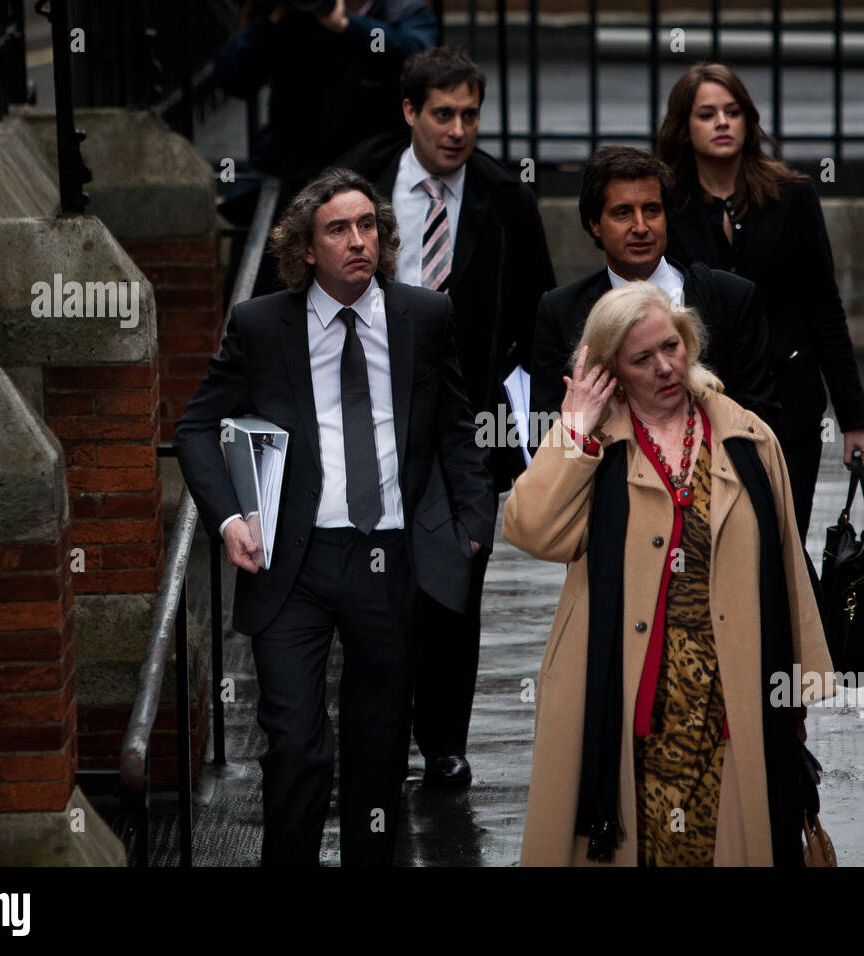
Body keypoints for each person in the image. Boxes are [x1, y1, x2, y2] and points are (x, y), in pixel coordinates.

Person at [173, 167, 494, 866]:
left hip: (392, 559)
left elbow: (456, 431)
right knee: (294, 740)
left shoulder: (425, 317)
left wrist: (471, 525)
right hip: (295, 561)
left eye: (368, 226)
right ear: (306, 249)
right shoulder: (261, 325)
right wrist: (229, 518)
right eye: (338, 229)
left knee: (379, 750)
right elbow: (195, 428)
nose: (358, 241)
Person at [505, 281, 833, 866]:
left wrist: (798, 693)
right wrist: (573, 429)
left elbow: (787, 565)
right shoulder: (595, 446)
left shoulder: (749, 438)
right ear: (610, 372)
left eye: (672, 347)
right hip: (628, 696)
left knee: (727, 842)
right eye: (642, 358)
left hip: (729, 688)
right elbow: (532, 530)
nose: (664, 367)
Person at [338, 47, 556, 788]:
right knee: (377, 585)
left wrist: (531, 423)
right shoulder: (357, 182)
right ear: (409, 112)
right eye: (442, 114)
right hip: (368, 419)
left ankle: (443, 744)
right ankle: (381, 740)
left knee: (455, 586)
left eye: (470, 114)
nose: (458, 130)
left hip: (470, 432)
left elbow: (542, 315)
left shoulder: (505, 198)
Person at [657, 62, 864, 540]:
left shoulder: (791, 198)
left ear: (748, 121)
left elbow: (825, 310)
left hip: (789, 408)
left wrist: (854, 421)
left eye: (732, 112)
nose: (722, 122)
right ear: (683, 127)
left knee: (780, 543)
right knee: (712, 545)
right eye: (707, 114)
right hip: (701, 405)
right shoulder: (667, 205)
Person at [530, 146, 779, 439]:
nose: (640, 227)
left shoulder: (732, 297)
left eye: (652, 210)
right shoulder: (561, 311)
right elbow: (546, 433)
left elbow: (760, 417)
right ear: (595, 224)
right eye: (623, 213)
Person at [215, 0, 437, 198]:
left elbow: (416, 65)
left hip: (373, 177)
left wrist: (347, 26)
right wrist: (271, 22)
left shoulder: (401, 11)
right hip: (295, 176)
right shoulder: (295, 16)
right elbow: (232, 79)